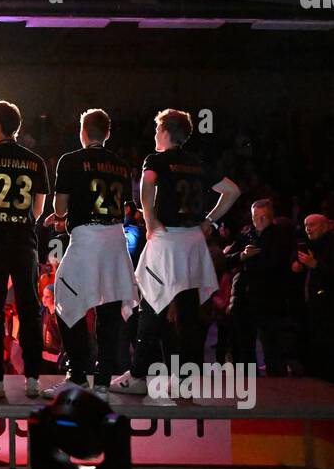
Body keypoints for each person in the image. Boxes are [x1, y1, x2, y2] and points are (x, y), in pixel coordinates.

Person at [116, 109, 240, 395]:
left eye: (158, 130)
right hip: (193, 242)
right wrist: (210, 220)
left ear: (165, 132)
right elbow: (232, 191)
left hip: (166, 240)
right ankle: (186, 380)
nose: (155, 136)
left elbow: (146, 188)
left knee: (151, 306)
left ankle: (139, 376)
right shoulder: (197, 163)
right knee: (188, 313)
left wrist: (149, 221)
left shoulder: (156, 159)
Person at [42, 109, 135, 398]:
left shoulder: (70, 160)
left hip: (86, 238)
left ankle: (78, 374)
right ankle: (105, 379)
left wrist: (60, 217)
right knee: (109, 307)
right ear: (107, 134)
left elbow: (60, 208)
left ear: (83, 131)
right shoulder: (120, 164)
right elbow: (127, 208)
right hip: (116, 239)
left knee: (65, 299)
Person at [0, 101, 48, 400]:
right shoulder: (35, 161)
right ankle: (32, 378)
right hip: (24, 242)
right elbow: (39, 209)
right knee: (29, 310)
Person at [226, 199, 298, 375]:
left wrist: (252, 261)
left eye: (263, 217)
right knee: (244, 344)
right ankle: (250, 382)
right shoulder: (246, 235)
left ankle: (276, 381)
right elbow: (227, 259)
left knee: (271, 345)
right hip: (245, 297)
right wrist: (242, 256)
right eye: (255, 217)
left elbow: (276, 263)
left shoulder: (280, 236)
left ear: (271, 217)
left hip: (269, 296)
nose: (258, 221)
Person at [294, 213, 334, 387]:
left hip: (333, 311)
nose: (308, 229)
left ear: (326, 225)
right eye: (306, 225)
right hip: (313, 310)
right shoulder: (311, 246)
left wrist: (316, 266)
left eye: (312, 225)